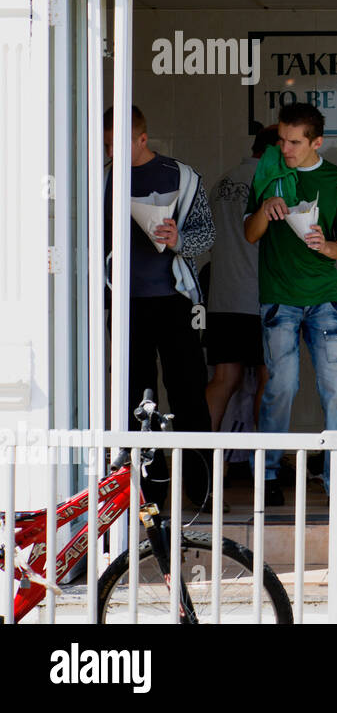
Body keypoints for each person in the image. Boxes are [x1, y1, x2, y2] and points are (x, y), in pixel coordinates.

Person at [243, 103, 337, 508]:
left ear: (317, 142)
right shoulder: (269, 172)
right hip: (279, 299)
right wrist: (264, 210)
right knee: (281, 386)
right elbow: (250, 233)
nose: (286, 149)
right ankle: (270, 474)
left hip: (324, 298)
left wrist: (327, 245)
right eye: (282, 140)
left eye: (294, 142)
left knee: (336, 392)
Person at [103, 105, 214, 506]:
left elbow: (206, 235)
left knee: (188, 395)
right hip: (126, 303)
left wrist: (178, 240)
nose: (111, 153)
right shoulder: (103, 180)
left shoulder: (181, 177)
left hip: (175, 301)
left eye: (116, 145)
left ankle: (203, 494)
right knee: (136, 399)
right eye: (107, 145)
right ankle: (151, 496)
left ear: (142, 139)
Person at [205, 125, 280, 433]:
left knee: (224, 380)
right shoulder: (270, 184)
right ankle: (266, 467)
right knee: (269, 378)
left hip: (222, 297)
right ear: (273, 150)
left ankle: (200, 460)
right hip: (259, 295)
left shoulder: (221, 183)